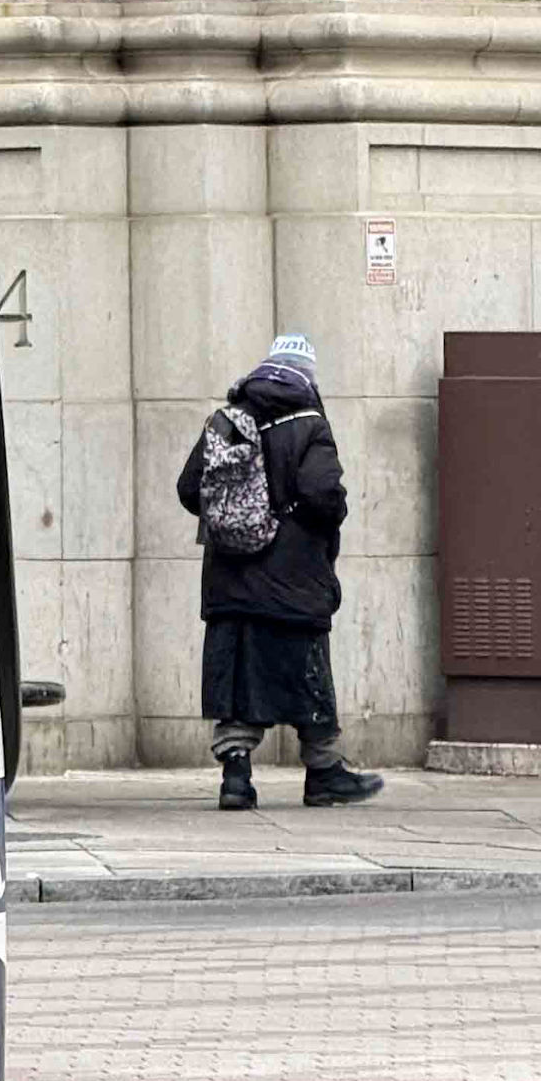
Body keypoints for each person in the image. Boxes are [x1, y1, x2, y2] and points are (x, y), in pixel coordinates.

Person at [176, 330, 385, 810]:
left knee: (237, 680)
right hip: (293, 579)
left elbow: (189, 488)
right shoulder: (311, 423)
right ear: (307, 378)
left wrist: (236, 518)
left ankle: (235, 779)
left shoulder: (226, 419)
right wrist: (318, 521)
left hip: (230, 580)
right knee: (307, 675)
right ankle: (324, 772)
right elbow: (321, 492)